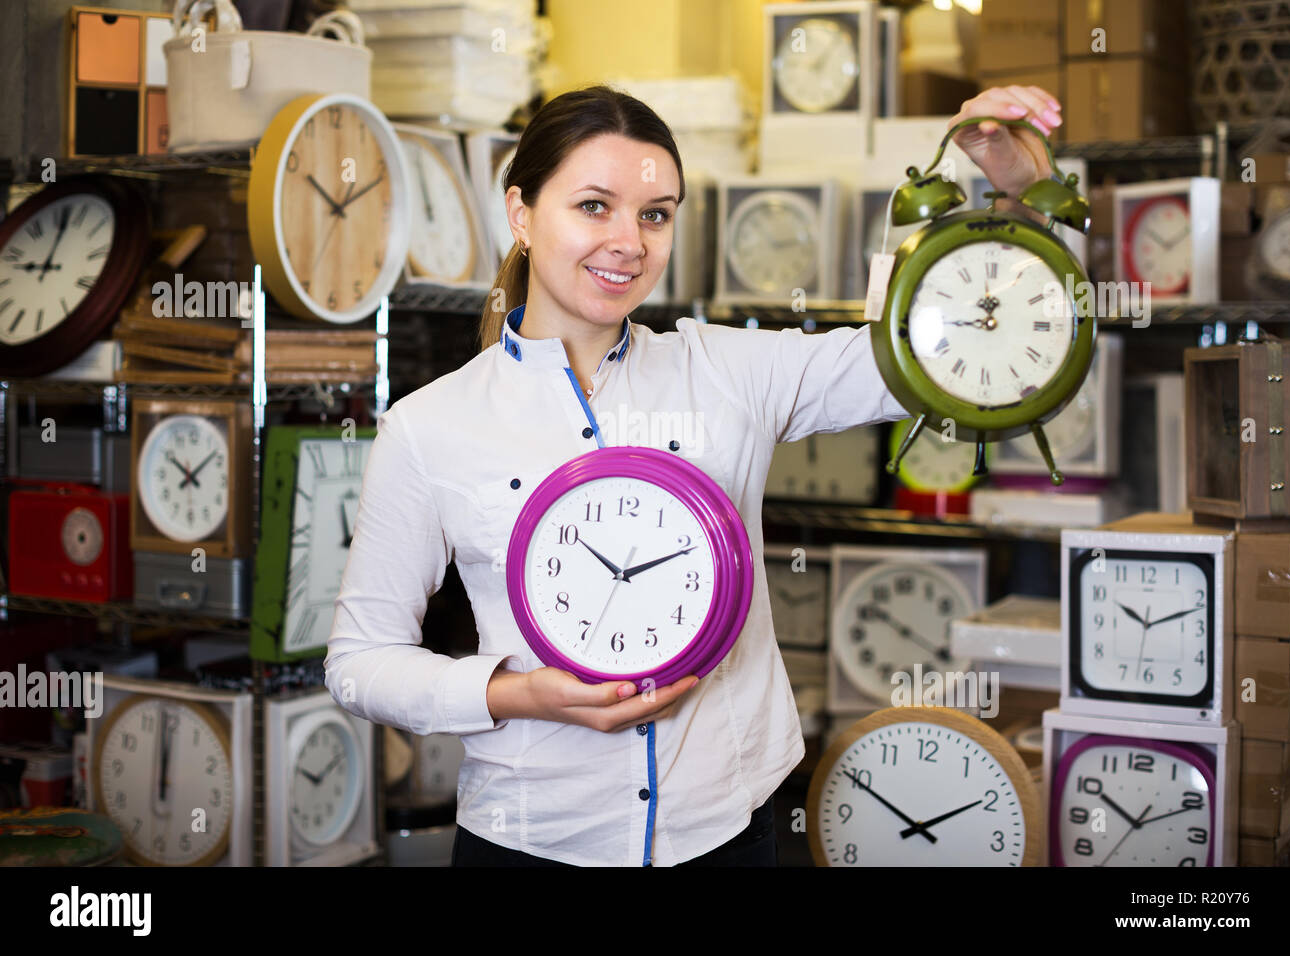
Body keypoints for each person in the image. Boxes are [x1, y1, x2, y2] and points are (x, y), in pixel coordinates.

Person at [325, 83, 1064, 867]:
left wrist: (1017, 196)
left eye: (655, 214)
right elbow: (360, 664)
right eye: (593, 206)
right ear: (520, 215)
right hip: (534, 840)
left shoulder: (727, 369)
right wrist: (511, 693)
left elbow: (943, 358)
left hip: (731, 834)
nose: (629, 242)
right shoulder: (430, 425)